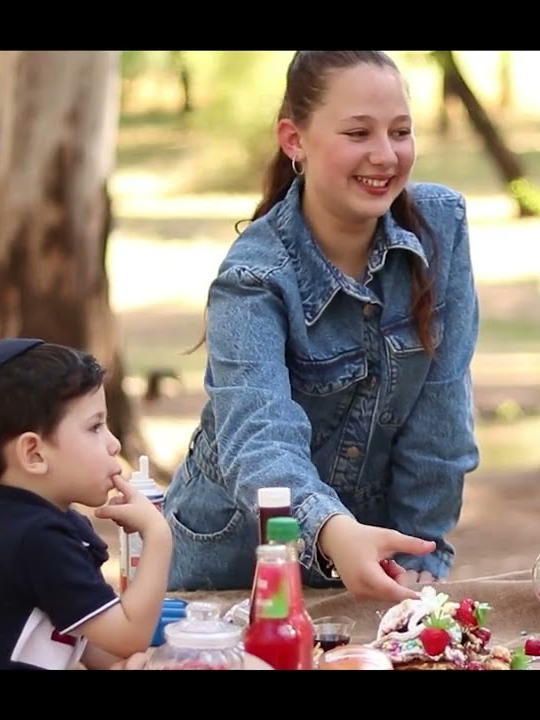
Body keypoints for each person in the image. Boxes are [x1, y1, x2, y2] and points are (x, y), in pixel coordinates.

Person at [162, 51, 480, 603]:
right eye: (359, 132)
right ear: (294, 140)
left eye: (400, 131)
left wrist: (415, 548)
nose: (385, 155)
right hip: (231, 567)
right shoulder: (252, 277)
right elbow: (259, 439)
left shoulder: (440, 228)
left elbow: (441, 420)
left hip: (371, 560)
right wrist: (334, 533)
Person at [0, 339, 171, 670]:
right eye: (95, 426)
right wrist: (158, 535)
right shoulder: (36, 539)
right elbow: (130, 636)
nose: (113, 444)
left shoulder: (43, 526)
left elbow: (80, 637)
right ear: (34, 454)